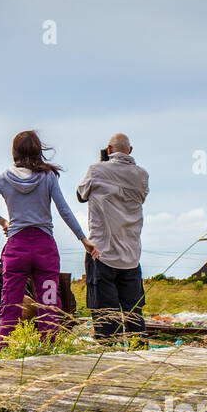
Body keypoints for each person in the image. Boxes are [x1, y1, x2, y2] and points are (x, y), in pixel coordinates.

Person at [0, 131, 98, 348]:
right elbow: (64, 210)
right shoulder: (47, 177)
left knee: (10, 302)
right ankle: (49, 346)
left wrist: (2, 221)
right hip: (44, 250)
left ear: (15, 152)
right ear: (38, 150)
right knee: (49, 301)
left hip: (16, 248)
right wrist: (83, 239)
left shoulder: (4, 177)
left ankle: (4, 347)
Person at [76, 133, 149, 341]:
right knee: (134, 316)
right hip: (131, 256)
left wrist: (102, 165)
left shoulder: (96, 170)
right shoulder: (142, 175)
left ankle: (108, 360)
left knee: (105, 317)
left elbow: (80, 195)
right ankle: (139, 356)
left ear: (109, 150)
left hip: (101, 253)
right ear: (130, 150)